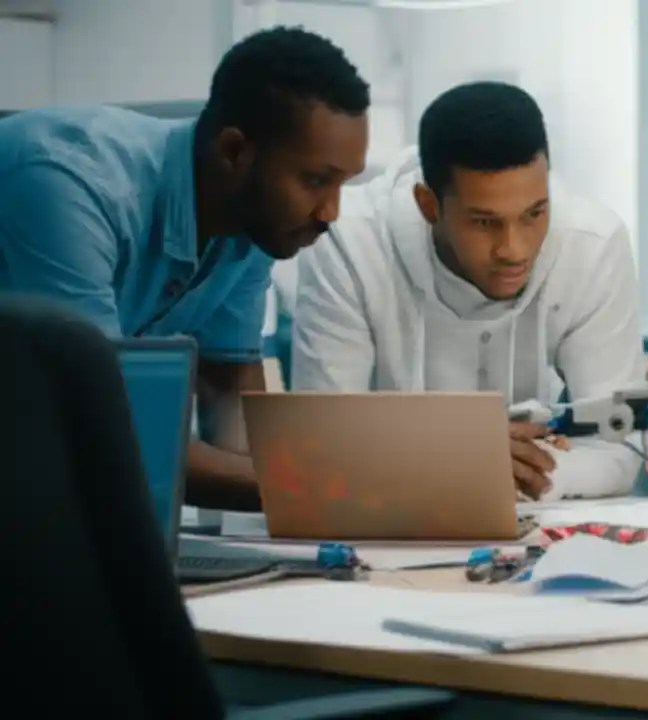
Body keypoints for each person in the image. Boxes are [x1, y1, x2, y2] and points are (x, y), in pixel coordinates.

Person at [0, 27, 371, 510]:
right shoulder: (69, 185)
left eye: (343, 184)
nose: (330, 212)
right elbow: (100, 428)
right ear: (235, 151)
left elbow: (227, 392)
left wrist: (302, 495)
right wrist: (325, 491)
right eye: (316, 181)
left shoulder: (253, 222)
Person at [291, 81, 645, 501]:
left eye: (534, 213)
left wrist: (538, 473)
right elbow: (322, 444)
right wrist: (462, 459)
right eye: (484, 222)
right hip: (387, 527)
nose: (514, 249)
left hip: (532, 522)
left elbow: (619, 446)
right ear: (428, 206)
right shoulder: (349, 241)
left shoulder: (592, 242)